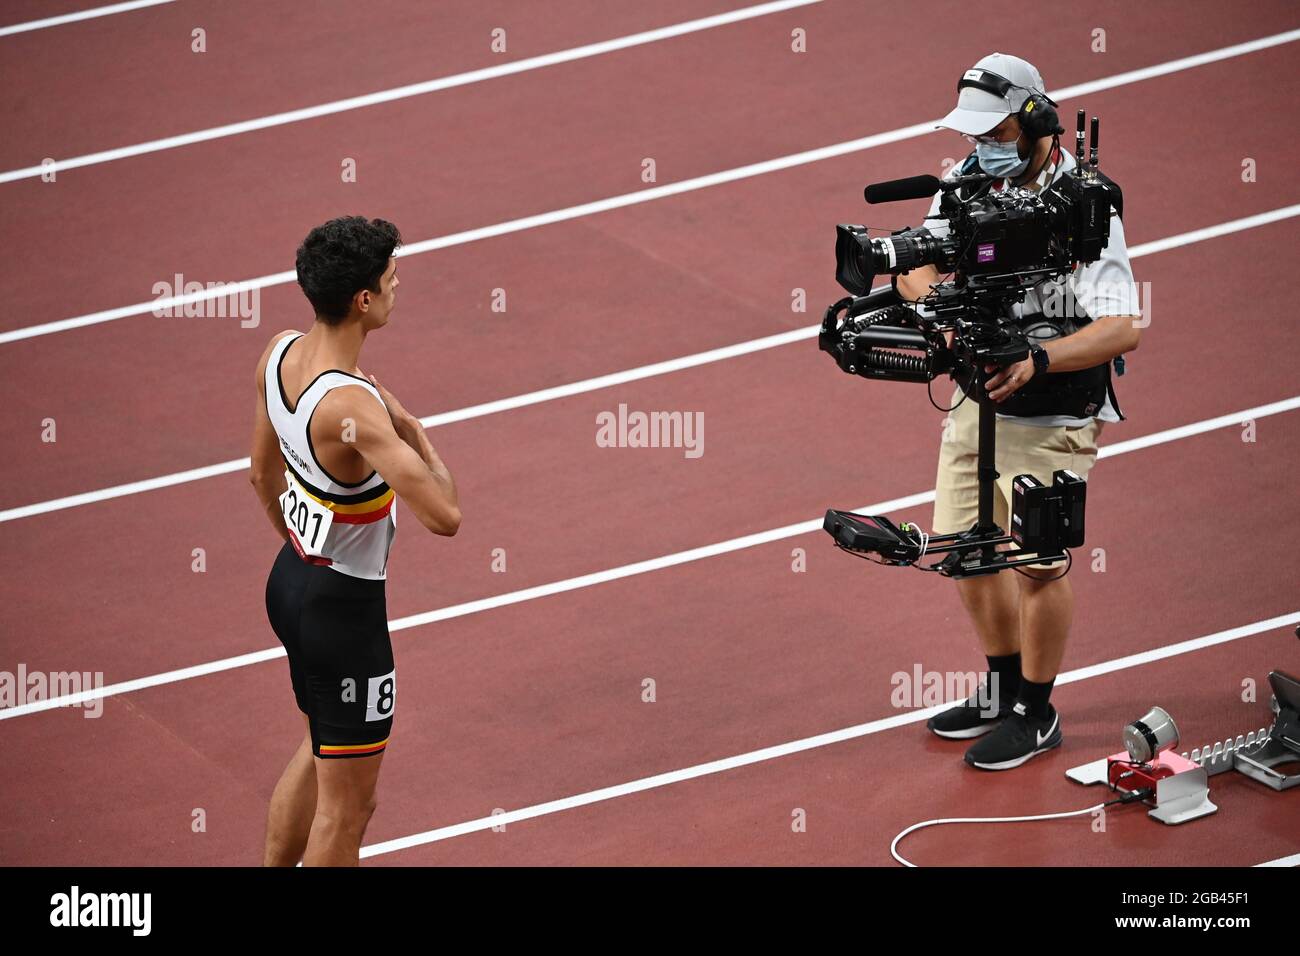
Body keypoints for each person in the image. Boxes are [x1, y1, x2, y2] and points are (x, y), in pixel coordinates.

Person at [895, 54, 1142, 770]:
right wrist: (934, 307)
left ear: (1034, 121)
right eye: (973, 133)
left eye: (994, 130)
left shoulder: (1085, 204)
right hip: (978, 398)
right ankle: (1000, 691)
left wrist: (1036, 360)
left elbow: (1122, 325)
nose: (982, 145)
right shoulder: (967, 182)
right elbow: (917, 261)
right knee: (966, 552)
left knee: (1038, 566)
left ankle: (1037, 711)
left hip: (1053, 409)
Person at [249, 216, 461, 864]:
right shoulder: (353, 410)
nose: (399, 289)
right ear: (362, 300)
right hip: (344, 615)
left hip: (291, 583)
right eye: (392, 280)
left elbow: (261, 472)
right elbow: (445, 514)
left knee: (318, 750)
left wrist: (309, 552)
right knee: (349, 811)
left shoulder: (279, 352)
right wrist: (416, 432)